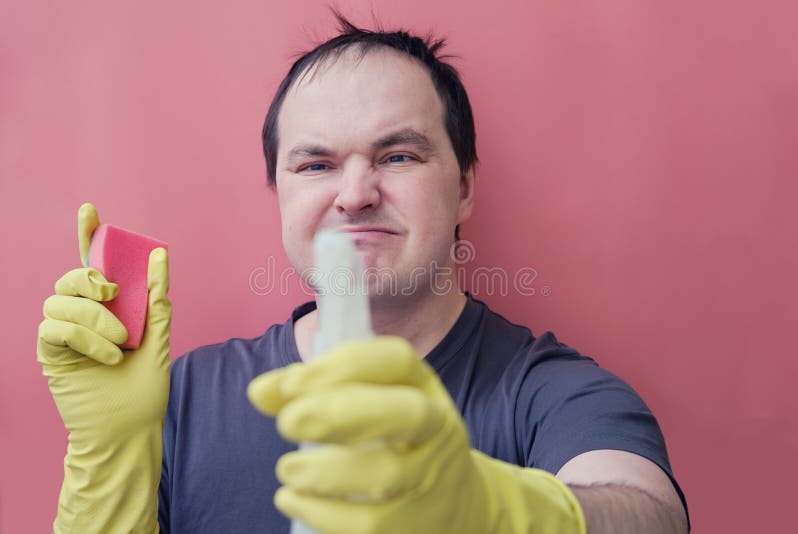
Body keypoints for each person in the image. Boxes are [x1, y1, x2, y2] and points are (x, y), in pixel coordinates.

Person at [37, 14, 689, 534]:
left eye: (398, 156)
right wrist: (110, 457)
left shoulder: (555, 393)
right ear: (281, 195)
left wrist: (486, 510)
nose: (354, 195)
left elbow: (649, 515)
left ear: (464, 187)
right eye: (315, 165)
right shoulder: (177, 398)